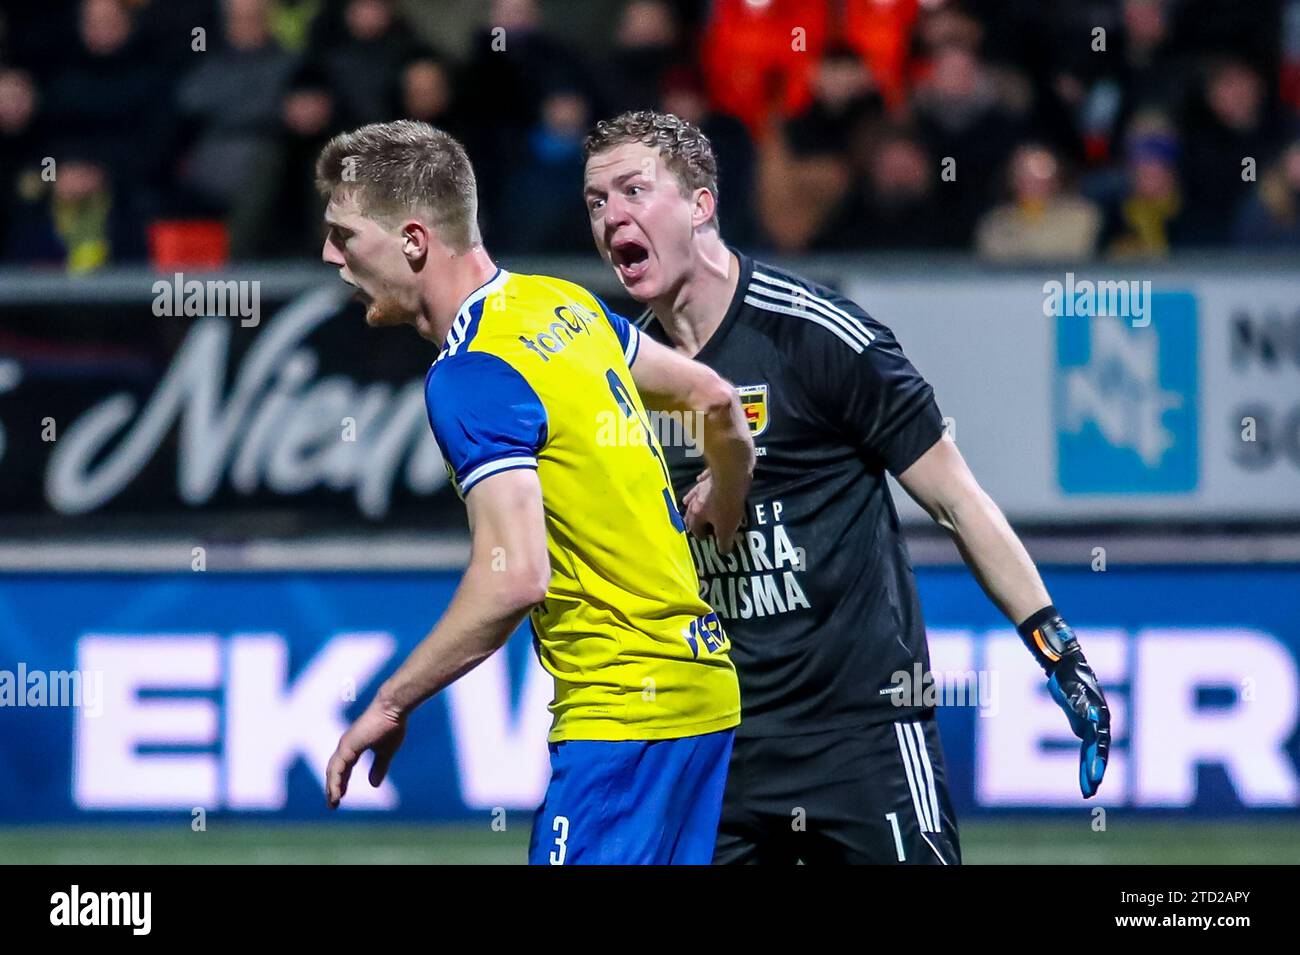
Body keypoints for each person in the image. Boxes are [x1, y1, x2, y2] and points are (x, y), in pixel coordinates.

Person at [582, 110, 1111, 864]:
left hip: (862, 737)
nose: (612, 217)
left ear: (702, 204)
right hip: (720, 742)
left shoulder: (818, 334)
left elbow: (959, 501)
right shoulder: (628, 375)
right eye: (597, 201)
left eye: (634, 190)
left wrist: (1060, 653)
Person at [315, 120, 756, 865]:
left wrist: (391, 702)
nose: (331, 255)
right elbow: (717, 399)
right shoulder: (561, 305)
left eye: (344, 234)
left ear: (413, 240)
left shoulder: (470, 373)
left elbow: (515, 577)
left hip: (620, 715)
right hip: (703, 693)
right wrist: (728, 493)